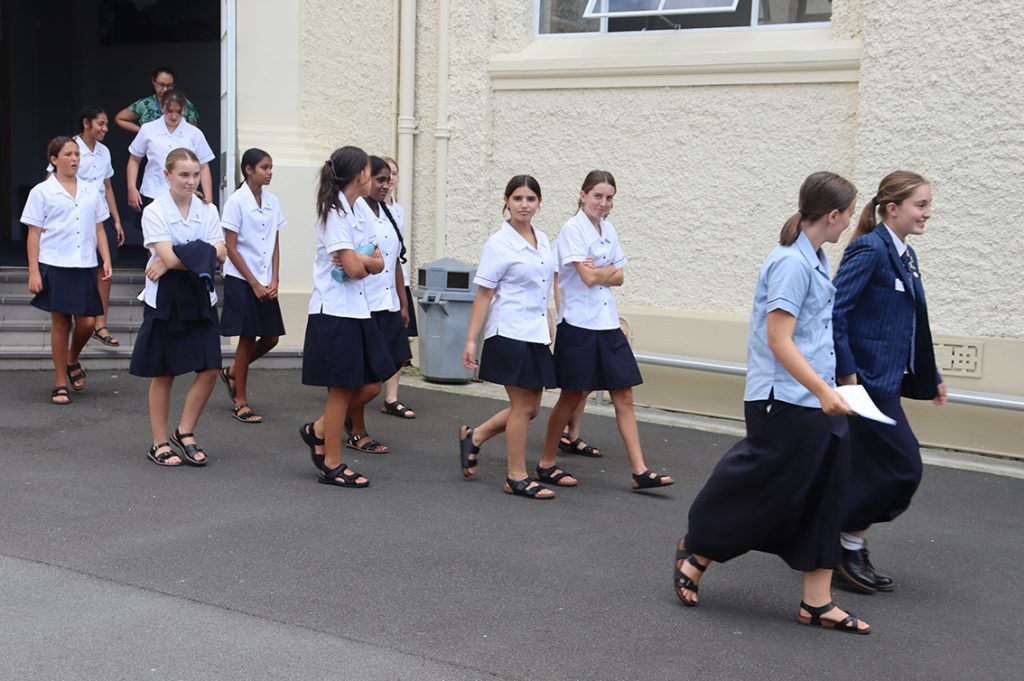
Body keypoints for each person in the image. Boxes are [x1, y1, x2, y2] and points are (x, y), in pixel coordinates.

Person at [673, 171, 870, 635]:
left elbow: (819, 333)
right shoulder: (790, 263)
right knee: (762, 486)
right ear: (834, 214)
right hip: (784, 401)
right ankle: (697, 547)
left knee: (827, 490)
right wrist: (825, 392)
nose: (847, 226)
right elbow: (779, 340)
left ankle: (817, 602)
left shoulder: (816, 259)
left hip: (817, 400)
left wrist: (842, 384)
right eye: (846, 215)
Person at [831, 171, 946, 594]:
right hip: (864, 387)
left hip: (883, 383)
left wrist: (930, 375)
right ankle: (846, 542)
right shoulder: (869, 248)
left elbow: (911, 322)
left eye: (929, 205)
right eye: (921, 205)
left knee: (866, 468)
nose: (928, 214)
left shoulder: (904, 253)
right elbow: (835, 312)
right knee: (903, 467)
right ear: (892, 208)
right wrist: (848, 375)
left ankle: (839, 543)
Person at [541, 171, 673, 490]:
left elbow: (621, 276)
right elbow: (587, 279)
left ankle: (640, 471)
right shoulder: (572, 229)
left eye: (609, 197)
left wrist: (601, 270)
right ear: (583, 195)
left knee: (624, 395)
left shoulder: (608, 230)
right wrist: (606, 270)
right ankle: (546, 463)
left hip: (607, 322)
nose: (603, 203)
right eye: (597, 195)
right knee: (571, 397)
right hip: (579, 325)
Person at [458, 175, 568, 500]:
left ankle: (475, 437)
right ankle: (516, 477)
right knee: (521, 407)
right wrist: (469, 340)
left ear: (539, 203)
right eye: (517, 198)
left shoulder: (544, 239)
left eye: (530, 199)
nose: (524, 205)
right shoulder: (498, 243)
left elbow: (543, 283)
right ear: (506, 201)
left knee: (532, 408)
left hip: (534, 333)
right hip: (508, 332)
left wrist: (548, 315)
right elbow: (484, 294)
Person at [298, 146, 394, 488]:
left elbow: (378, 262)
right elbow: (354, 268)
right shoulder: (334, 213)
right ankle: (333, 462)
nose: (378, 177)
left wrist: (362, 262)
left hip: (358, 309)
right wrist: (362, 262)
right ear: (360, 176)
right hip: (334, 311)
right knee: (341, 390)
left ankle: (319, 430)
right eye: (372, 171)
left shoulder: (361, 212)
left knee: (371, 381)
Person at [128, 148, 226, 467]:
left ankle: (184, 432)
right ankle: (159, 443)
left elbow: (220, 254)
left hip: (200, 294)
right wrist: (197, 254)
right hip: (167, 298)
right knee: (164, 371)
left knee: (211, 367)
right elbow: (174, 257)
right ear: (167, 175)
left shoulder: (208, 211)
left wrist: (174, 259)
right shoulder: (154, 211)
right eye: (184, 174)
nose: (191, 180)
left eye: (195, 174)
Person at [23, 136, 112, 404]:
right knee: (60, 322)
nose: (74, 159)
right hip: (55, 263)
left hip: (85, 263)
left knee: (86, 322)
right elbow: (33, 234)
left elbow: (99, 228)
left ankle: (73, 359)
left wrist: (106, 259)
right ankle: (60, 381)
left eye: (77, 154)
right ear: (54, 159)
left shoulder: (90, 191)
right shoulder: (41, 192)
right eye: (68, 154)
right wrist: (34, 271)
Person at [342, 156, 411, 453]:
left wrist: (404, 301)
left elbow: (393, 260)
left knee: (395, 361)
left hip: (389, 301)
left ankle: (338, 418)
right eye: (379, 180)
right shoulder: (354, 211)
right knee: (367, 376)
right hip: (363, 303)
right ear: (366, 179)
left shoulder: (390, 212)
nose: (384, 185)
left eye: (388, 180)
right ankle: (355, 429)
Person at [217, 148, 286, 424]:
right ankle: (241, 401)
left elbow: (275, 243)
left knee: (271, 338)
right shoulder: (236, 201)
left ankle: (233, 370)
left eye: (271, 167)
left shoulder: (273, 201)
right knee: (247, 338)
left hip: (266, 278)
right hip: (242, 279)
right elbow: (231, 248)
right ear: (249, 169)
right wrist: (254, 283)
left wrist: (275, 279)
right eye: (264, 167)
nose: (269, 172)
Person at [51, 106, 125, 348]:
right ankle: (77, 319)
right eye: (100, 124)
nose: (105, 129)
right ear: (86, 123)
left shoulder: (104, 152)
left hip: (99, 216)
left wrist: (116, 219)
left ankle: (100, 324)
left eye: (106, 125)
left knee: (105, 270)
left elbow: (108, 187)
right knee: (79, 269)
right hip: (75, 217)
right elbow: (51, 182)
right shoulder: (69, 148)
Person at [126, 89, 214, 219]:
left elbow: (204, 166)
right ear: (162, 108)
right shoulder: (148, 129)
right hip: (153, 192)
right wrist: (132, 188)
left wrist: (208, 198)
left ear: (184, 110)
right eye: (169, 111)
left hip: (185, 195)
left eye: (177, 111)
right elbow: (134, 160)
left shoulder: (194, 133)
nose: (173, 116)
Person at [379, 155, 416, 419]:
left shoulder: (398, 209)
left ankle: (391, 397)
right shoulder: (368, 209)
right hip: (376, 281)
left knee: (398, 344)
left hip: (397, 280)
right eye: (385, 174)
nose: (390, 179)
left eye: (394, 173)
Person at [115, 66, 199, 134]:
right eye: (161, 85)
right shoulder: (145, 104)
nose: (165, 89)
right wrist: (142, 131)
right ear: (153, 81)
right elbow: (120, 118)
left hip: (179, 151)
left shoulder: (185, 104)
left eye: (169, 85)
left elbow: (193, 132)